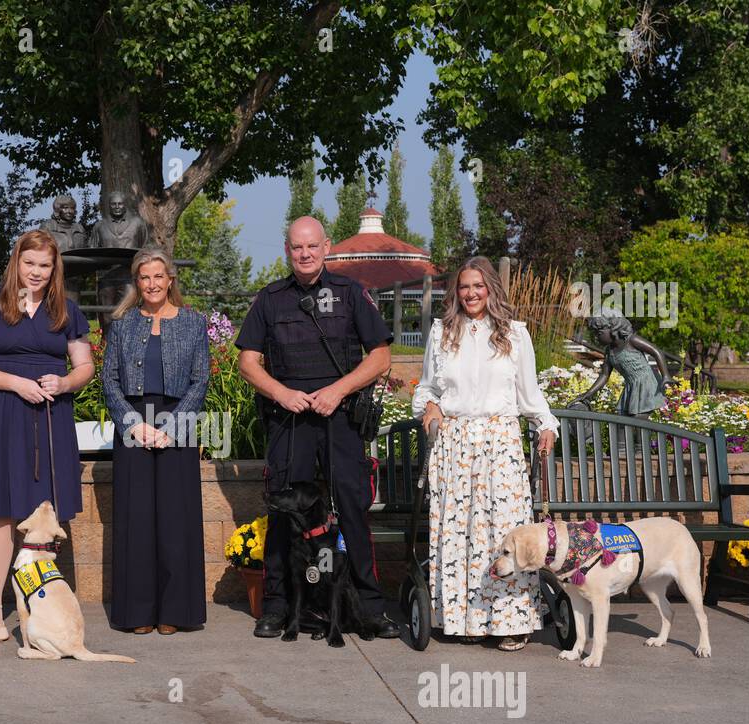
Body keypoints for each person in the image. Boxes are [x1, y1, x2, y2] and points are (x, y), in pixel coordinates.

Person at [236, 216, 397, 641]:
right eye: (296, 248)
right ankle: (277, 605)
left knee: (352, 507)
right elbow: (247, 362)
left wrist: (338, 391)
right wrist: (280, 393)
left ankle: (370, 607)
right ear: (286, 250)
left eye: (311, 247)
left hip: (340, 417)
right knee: (283, 511)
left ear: (326, 247)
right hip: (289, 419)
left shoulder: (349, 294)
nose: (304, 254)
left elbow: (380, 357)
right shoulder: (269, 299)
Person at [412, 256, 558, 650]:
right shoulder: (442, 333)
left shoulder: (515, 334)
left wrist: (546, 424)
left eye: (478, 286)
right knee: (458, 534)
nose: (471, 293)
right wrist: (428, 406)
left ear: (491, 288)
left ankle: (510, 622)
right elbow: (427, 388)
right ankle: (459, 619)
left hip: (501, 442)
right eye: (464, 286)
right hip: (456, 445)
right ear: (455, 292)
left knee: (504, 533)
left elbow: (530, 395)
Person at [0, 230, 94, 641]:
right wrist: (16, 383)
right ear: (17, 262)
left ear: (55, 269)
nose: (35, 272)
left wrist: (66, 383)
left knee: (44, 516)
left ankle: (40, 605)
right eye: (29, 263)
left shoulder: (65, 310)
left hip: (49, 416)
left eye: (44, 265)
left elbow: (84, 365)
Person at [102, 248, 210, 635]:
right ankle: (137, 613)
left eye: (158, 277)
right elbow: (109, 381)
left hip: (175, 424)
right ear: (137, 282)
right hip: (133, 425)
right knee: (136, 519)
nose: (151, 284)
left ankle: (175, 612)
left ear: (170, 280)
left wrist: (173, 427)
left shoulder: (193, 323)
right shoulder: (121, 324)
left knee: (175, 521)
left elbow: (201, 379)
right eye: (144, 278)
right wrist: (133, 425)